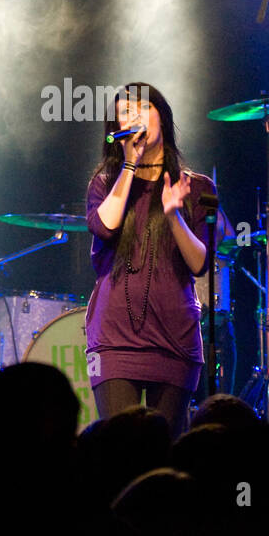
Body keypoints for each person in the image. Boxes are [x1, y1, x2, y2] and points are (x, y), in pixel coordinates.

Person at [85, 83, 215, 439]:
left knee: (167, 451)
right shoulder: (104, 183)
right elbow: (106, 226)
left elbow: (199, 263)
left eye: (143, 107)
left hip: (175, 338)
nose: (135, 117)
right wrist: (130, 164)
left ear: (163, 116)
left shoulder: (197, 187)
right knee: (118, 451)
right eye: (125, 112)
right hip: (115, 340)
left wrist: (174, 215)